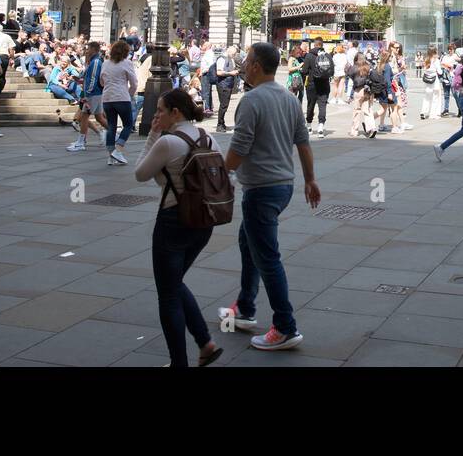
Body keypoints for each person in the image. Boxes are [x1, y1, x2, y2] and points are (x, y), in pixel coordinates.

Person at [220, 42, 320, 351]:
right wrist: (310, 179)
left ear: (255, 66)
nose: (244, 66)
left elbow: (240, 147)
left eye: (247, 61)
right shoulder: (289, 98)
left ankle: (285, 327)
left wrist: (220, 176)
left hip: (261, 189)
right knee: (249, 243)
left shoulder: (251, 100)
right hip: (283, 186)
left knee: (267, 257)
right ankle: (245, 308)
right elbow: (302, 142)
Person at [135, 89, 224, 367]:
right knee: (174, 282)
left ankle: (179, 362)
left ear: (176, 113)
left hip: (173, 220)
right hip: (204, 221)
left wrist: (151, 135)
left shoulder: (168, 142)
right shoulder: (208, 137)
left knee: (168, 294)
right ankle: (205, 343)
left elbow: (140, 174)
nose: (156, 114)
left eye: (160, 110)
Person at [100, 39, 137, 165]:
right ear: (126, 52)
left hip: (107, 98)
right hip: (121, 96)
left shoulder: (105, 63)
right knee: (128, 124)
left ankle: (110, 156)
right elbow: (134, 83)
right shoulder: (127, 63)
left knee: (111, 126)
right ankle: (118, 149)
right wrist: (130, 94)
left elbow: (101, 81)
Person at [68, 40, 106, 153]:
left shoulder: (95, 62)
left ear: (94, 49)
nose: (87, 50)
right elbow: (88, 77)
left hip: (92, 94)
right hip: (95, 93)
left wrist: (87, 93)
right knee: (99, 117)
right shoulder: (94, 61)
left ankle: (81, 142)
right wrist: (79, 79)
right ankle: (115, 135)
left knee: (84, 117)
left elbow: (93, 78)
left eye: (88, 48)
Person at [303, 37, 332, 136]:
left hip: (312, 84)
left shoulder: (309, 56)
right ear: (322, 45)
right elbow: (331, 71)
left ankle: (309, 126)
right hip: (324, 84)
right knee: (322, 106)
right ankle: (320, 127)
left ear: (314, 45)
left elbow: (305, 71)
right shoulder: (327, 56)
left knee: (310, 105)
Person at [214, 45, 239, 133]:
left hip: (228, 84)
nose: (235, 55)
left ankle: (222, 123)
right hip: (223, 84)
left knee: (225, 105)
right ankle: (219, 125)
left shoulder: (230, 58)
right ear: (230, 52)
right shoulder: (222, 59)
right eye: (234, 54)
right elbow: (219, 72)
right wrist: (231, 73)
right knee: (223, 105)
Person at [418, 45, 441, 120]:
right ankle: (432, 114)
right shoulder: (436, 60)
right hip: (434, 81)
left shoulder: (426, 60)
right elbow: (440, 72)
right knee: (435, 98)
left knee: (427, 97)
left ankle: (423, 112)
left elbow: (425, 69)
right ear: (434, 52)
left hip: (427, 81)